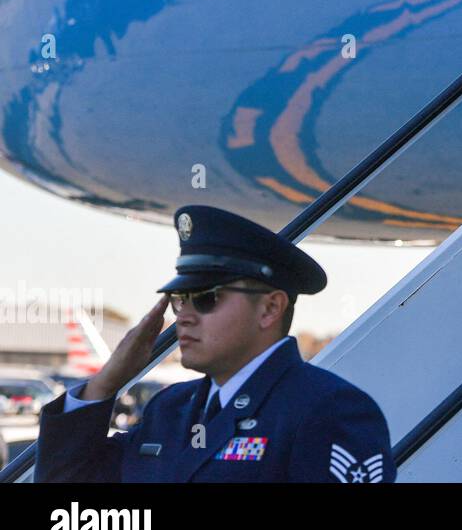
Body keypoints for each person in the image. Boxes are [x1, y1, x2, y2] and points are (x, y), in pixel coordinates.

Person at [35, 205, 395, 482]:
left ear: (270, 308)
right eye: (180, 300)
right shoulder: (170, 409)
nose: (186, 316)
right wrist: (106, 383)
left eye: (206, 298)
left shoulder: (325, 411)